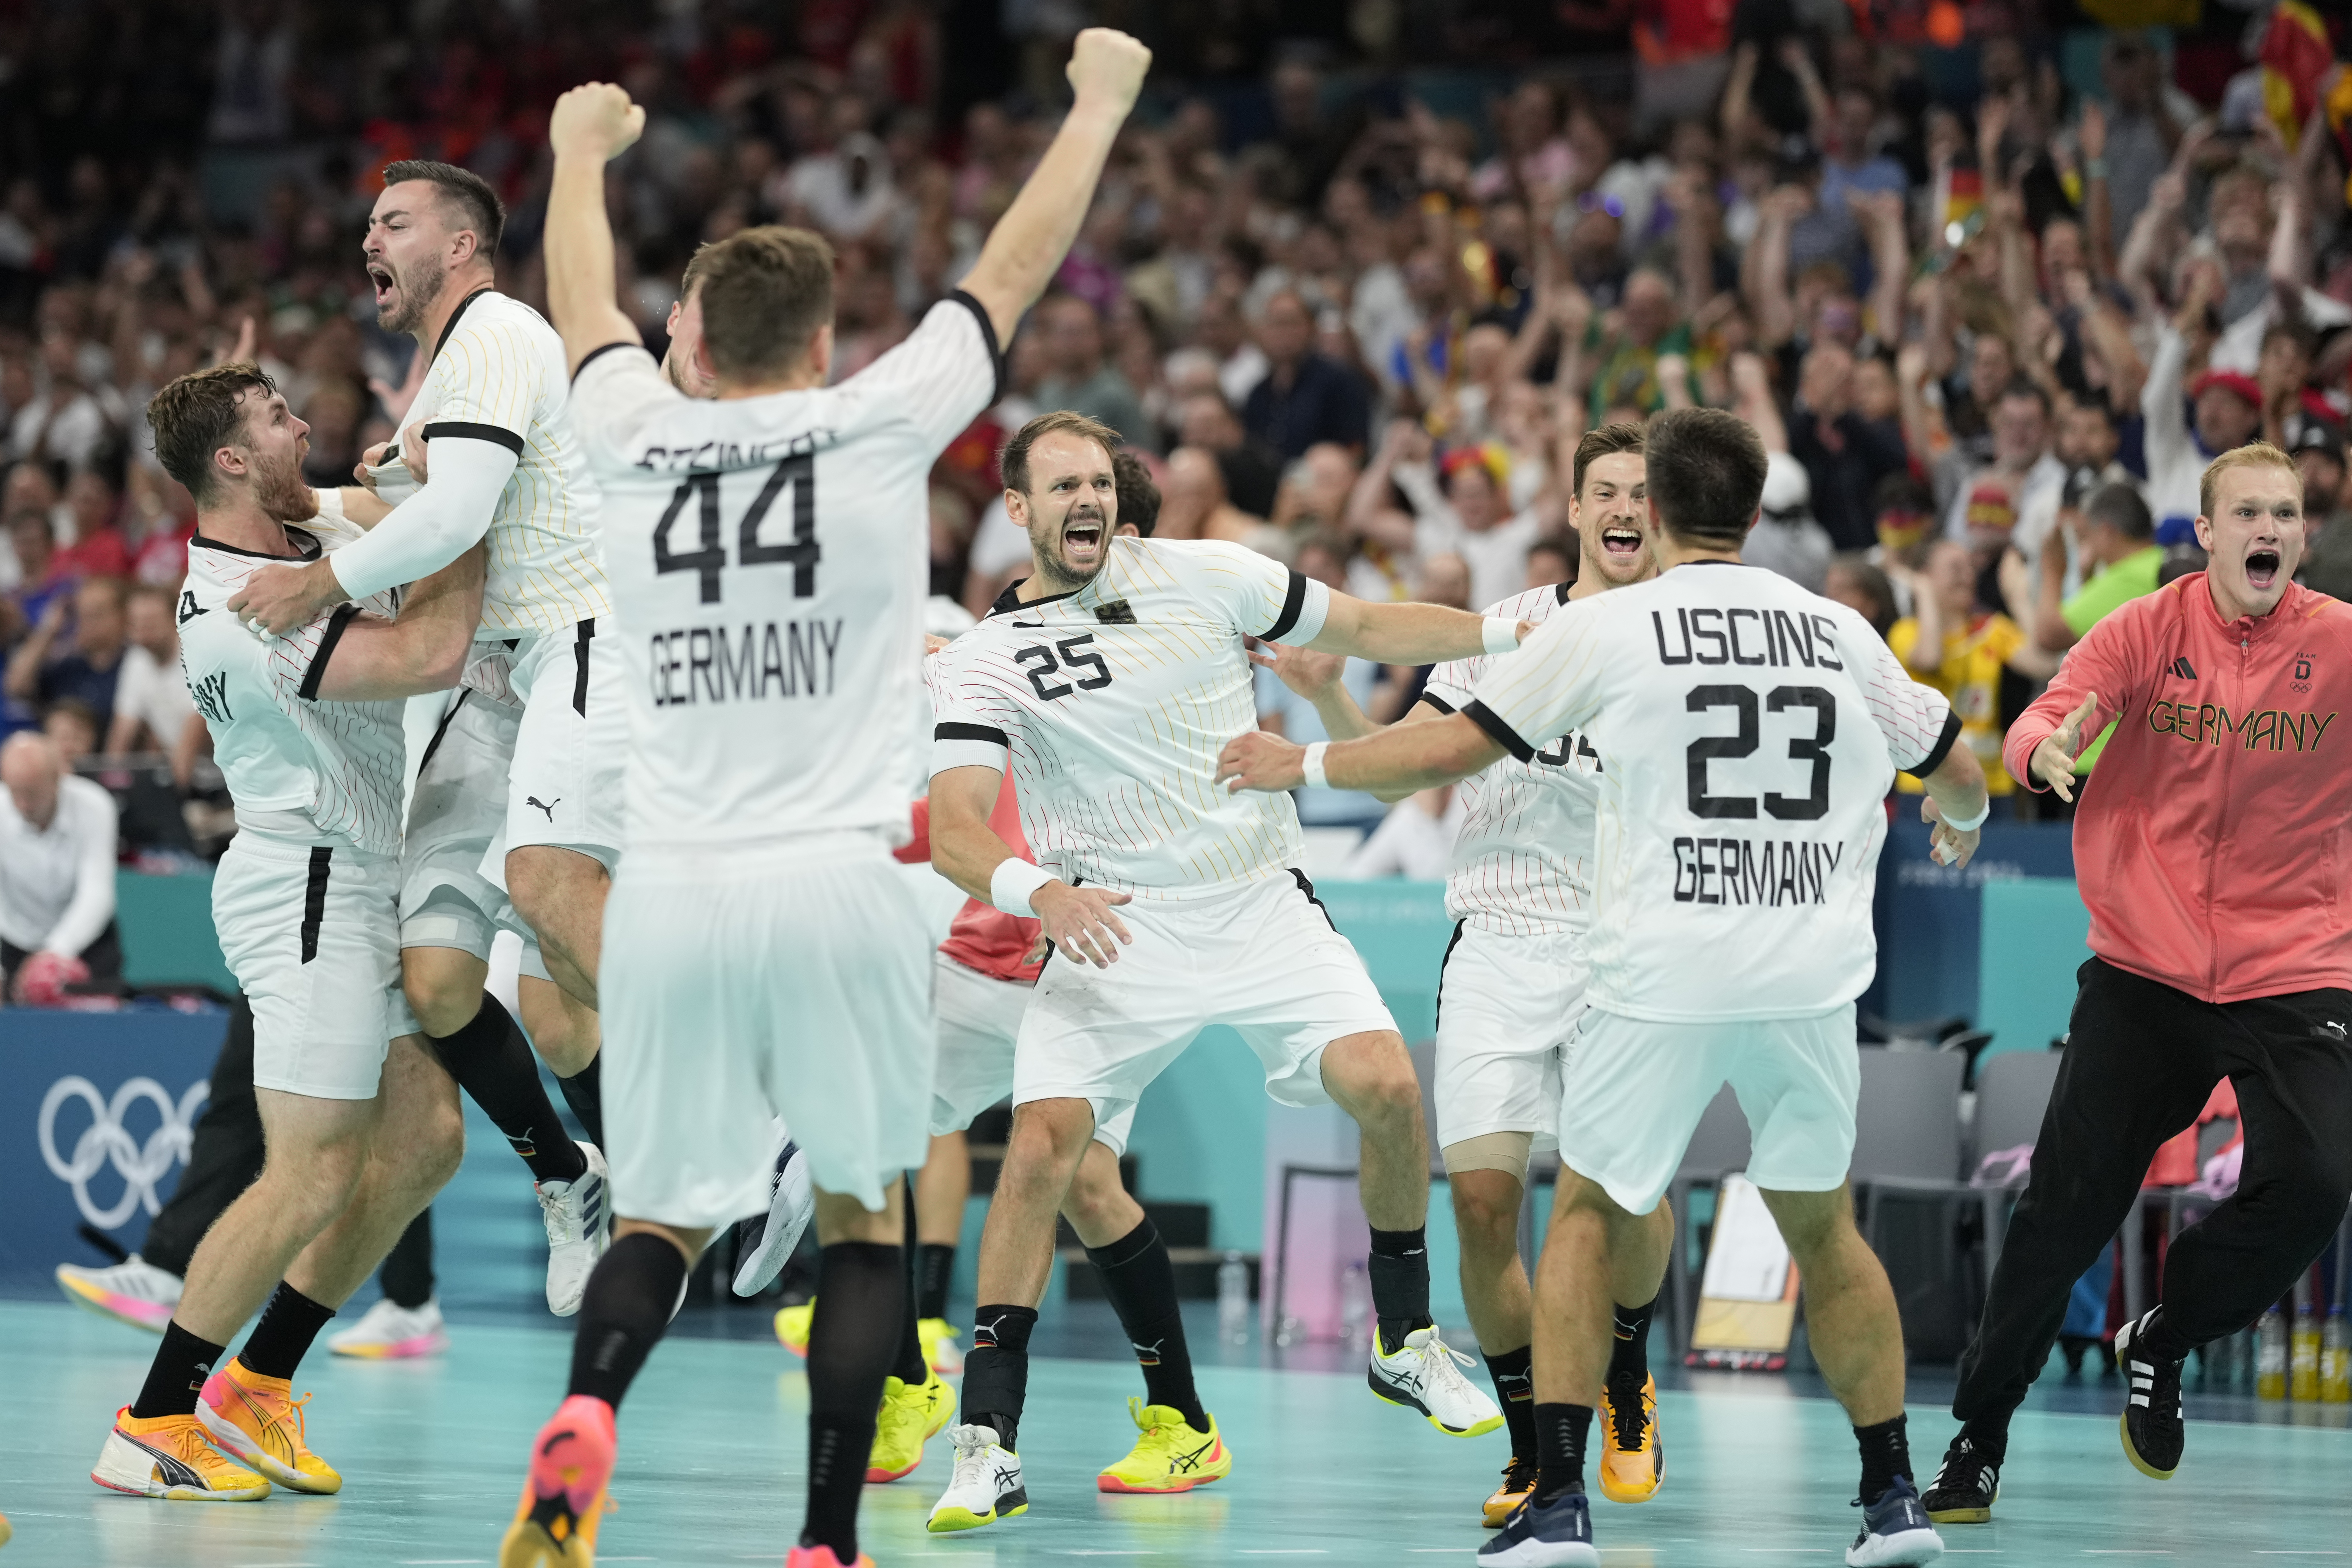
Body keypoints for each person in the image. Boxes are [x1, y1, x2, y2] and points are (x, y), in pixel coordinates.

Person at [498, 34, 1151, 1568]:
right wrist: (1099, 105)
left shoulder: (634, 432)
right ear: (827, 337)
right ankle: (820, 1538)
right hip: (841, 885)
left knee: (658, 1216)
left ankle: (587, 1418)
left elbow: (580, 302)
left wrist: (578, 152)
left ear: (700, 346)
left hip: (669, 890)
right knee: (864, 1218)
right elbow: (1012, 263)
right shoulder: (879, 422)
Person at [1217, 406, 1986, 1568]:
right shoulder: (1835, 625)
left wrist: (1304, 758)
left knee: (1583, 1212)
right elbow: (1953, 761)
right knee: (1820, 1230)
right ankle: (1893, 1500)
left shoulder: (1618, 632)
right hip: (1801, 971)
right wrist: (1961, 817)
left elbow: (1438, 755)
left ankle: (1560, 1502)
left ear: (1662, 511)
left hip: (1656, 955)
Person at [921, 403, 1523, 1537]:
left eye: (1097, 482)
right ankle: (987, 1441)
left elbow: (1370, 625)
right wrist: (1037, 892)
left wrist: (1504, 638)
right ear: (1018, 511)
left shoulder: (1214, 573)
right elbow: (958, 828)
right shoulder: (986, 657)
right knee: (1044, 1148)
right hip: (1113, 922)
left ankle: (1402, 1338)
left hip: (1255, 903)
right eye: (1059, 488)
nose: (1085, 501)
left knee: (1391, 1087)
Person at [1256, 423, 1677, 1529]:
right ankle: (1540, 1446)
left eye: (1643, 492)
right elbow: (1410, 771)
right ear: (1576, 513)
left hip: (1625, 950)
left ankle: (1625, 1368)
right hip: (1493, 935)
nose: (1624, 507)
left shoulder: (1681, 641)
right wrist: (1335, 707)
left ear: (1663, 515)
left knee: (1623, 1197)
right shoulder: (1501, 634)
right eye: (1605, 492)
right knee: (1487, 1202)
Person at [1923, 442, 2352, 1525]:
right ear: (2204, 532)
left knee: (2316, 1178)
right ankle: (1978, 1434)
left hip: (2295, 963)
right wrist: (2042, 756)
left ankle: (2160, 1333)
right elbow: (2044, 716)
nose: (2268, 528)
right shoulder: (2146, 630)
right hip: (2144, 964)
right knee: (2064, 1210)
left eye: (2286, 513)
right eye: (2246, 510)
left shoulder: (2341, 645)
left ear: (2301, 536)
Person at [222, 159, 618, 1316]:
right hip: (491, 686)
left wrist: (321, 580)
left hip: (573, 650)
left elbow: (450, 517)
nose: (369, 241)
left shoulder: (496, 330)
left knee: (551, 898)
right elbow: (422, 509)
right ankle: (569, 1179)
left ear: (460, 246)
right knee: (439, 980)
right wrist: (314, 508)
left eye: (394, 223)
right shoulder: (439, 372)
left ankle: (759, 1122)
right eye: (365, 224)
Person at [91, 362, 484, 1505]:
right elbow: (428, 657)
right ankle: (154, 1419)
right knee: (307, 1173)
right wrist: (467, 508)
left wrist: (369, 506)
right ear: (228, 462)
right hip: (307, 881)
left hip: (367, 874)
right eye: (274, 417)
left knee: (424, 1142)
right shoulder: (238, 605)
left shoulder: (299, 555)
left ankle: (258, 1382)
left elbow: (359, 550)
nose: (301, 423)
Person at [1888, 540, 2057, 800]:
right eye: (1956, 569)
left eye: (1970, 568)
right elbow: (1930, 659)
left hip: (1990, 783)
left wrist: (2019, 599)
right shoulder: (1906, 632)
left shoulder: (1991, 629)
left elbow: (2045, 665)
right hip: (1926, 785)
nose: (1967, 577)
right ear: (1925, 577)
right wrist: (1923, 593)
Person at [0, 729, 120, 1002]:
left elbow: (97, 891)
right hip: (14, 943)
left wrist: (55, 954)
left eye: (31, 793)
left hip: (90, 945)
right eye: (14, 792)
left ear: (57, 779)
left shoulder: (96, 805)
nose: (22, 805)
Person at [4, 573, 129, 739]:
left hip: (112, 762)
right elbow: (16, 686)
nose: (86, 622)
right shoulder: (69, 667)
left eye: (96, 614)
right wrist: (49, 629)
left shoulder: (135, 666)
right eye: (81, 614)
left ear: (122, 617)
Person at [104, 584, 199, 767]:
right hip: (173, 764)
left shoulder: (197, 655)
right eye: (136, 623)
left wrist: (173, 794)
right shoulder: (136, 659)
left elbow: (193, 737)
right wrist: (110, 782)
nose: (142, 630)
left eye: (151, 621)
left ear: (175, 618)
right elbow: (122, 733)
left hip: (220, 769)